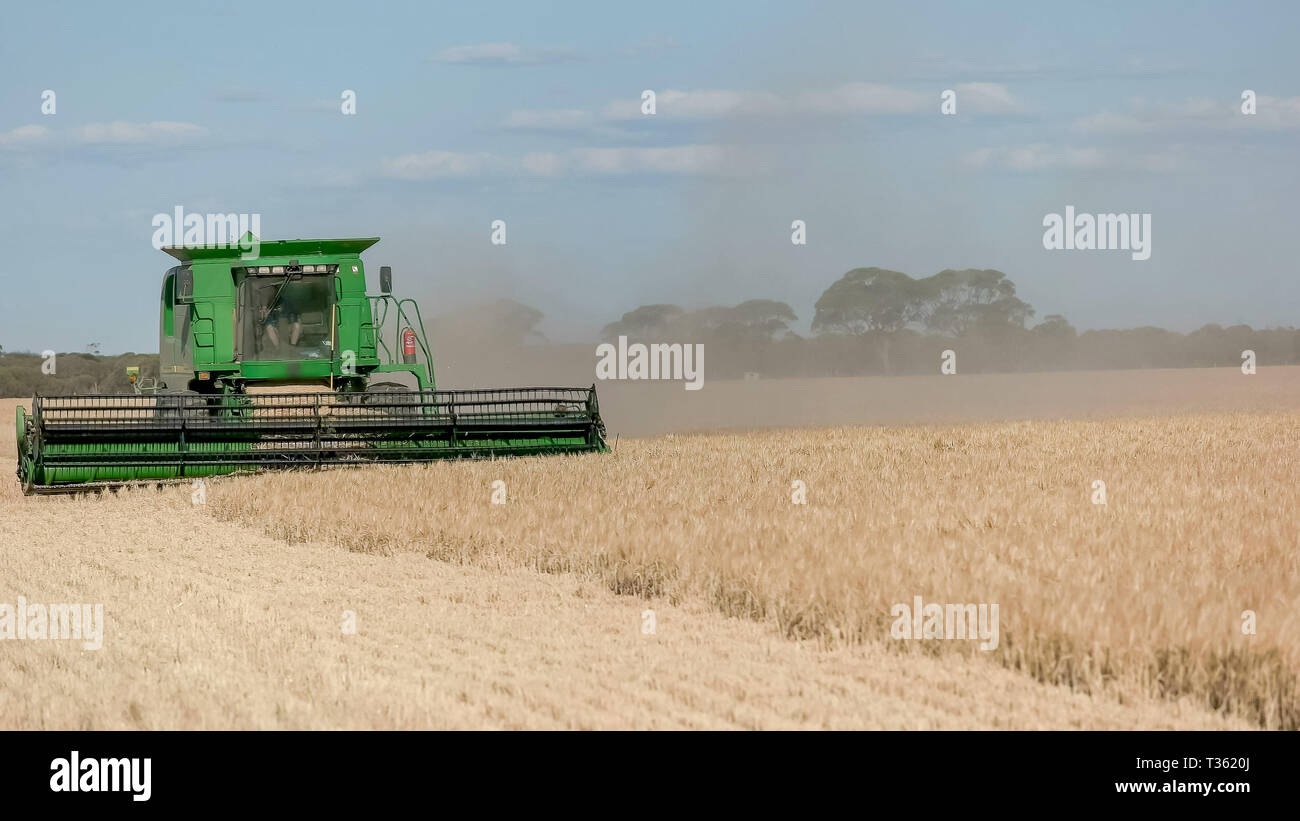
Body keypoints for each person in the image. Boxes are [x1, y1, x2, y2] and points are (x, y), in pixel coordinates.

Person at [260, 288, 301, 353]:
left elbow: (294, 316)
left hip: (286, 326)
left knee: (297, 325)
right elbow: (266, 322)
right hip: (276, 328)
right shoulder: (269, 304)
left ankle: (292, 348)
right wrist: (265, 312)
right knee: (269, 327)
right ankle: (278, 348)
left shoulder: (288, 302)